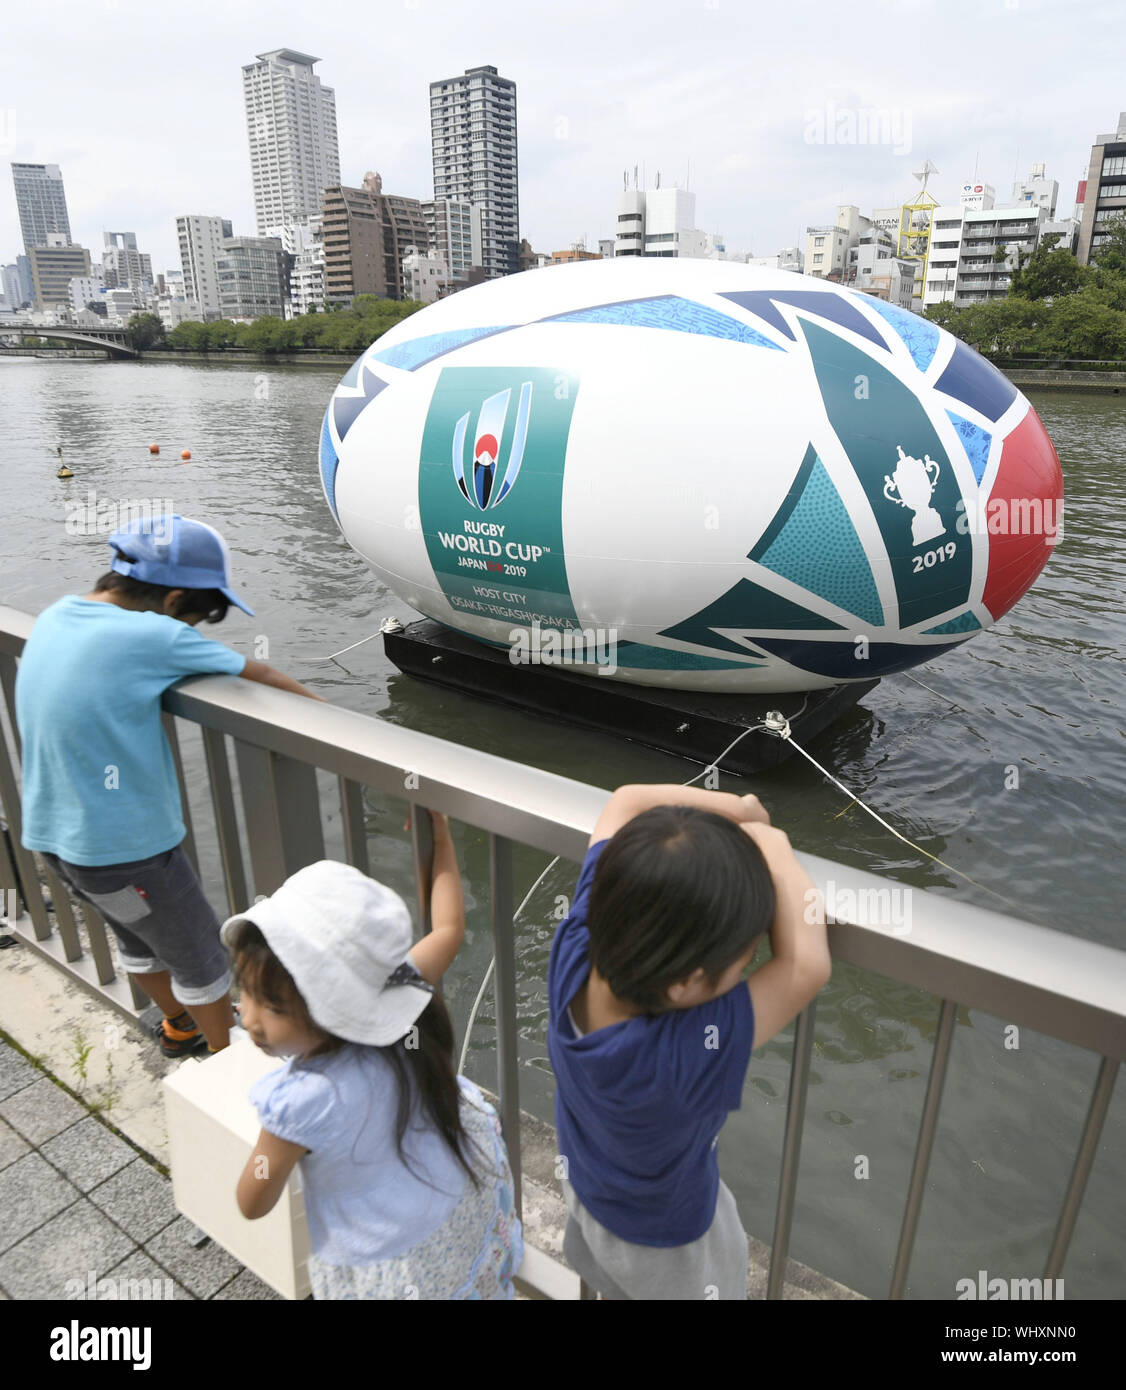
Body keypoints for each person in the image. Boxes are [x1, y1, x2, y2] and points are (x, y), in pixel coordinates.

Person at [15, 514, 324, 1057]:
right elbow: (266, 678)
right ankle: (227, 1061)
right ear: (176, 597)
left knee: (140, 939)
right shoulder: (154, 633)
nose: (196, 629)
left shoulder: (59, 613)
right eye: (201, 616)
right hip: (128, 851)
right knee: (202, 956)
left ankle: (179, 1024)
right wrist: (342, 730)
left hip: (58, 841)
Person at [547, 783, 832, 1301]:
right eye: (744, 963)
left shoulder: (578, 944)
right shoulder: (678, 1056)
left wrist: (730, 815)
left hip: (588, 1197)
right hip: (666, 1251)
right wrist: (767, 837)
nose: (747, 972)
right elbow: (807, 965)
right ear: (684, 984)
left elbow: (626, 801)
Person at [227, 817, 523, 1301]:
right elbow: (448, 928)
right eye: (246, 991)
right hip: (454, 1207)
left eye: (273, 1006)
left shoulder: (300, 1102)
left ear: (330, 1007)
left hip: (395, 1262)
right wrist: (441, 841)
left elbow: (252, 1200)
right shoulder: (396, 990)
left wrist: (267, 1151)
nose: (247, 1016)